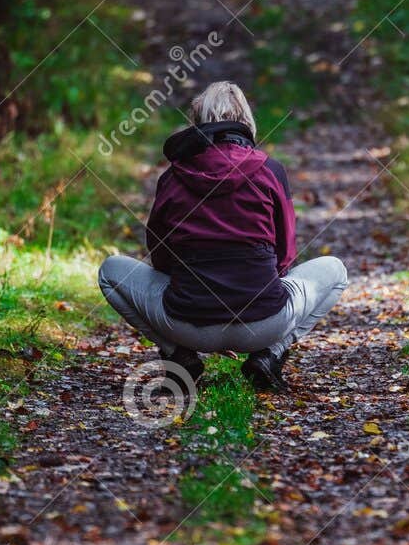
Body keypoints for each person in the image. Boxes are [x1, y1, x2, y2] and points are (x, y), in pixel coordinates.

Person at [97, 82, 347, 391]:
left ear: (197, 121)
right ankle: (270, 355)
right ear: (246, 121)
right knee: (336, 270)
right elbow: (285, 255)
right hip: (264, 322)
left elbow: (160, 256)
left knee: (110, 271)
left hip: (187, 323)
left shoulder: (173, 175)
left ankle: (180, 357)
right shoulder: (271, 169)